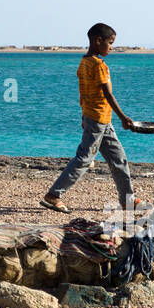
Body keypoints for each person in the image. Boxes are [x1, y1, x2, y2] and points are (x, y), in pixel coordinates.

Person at [41, 22, 145, 214]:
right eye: (110, 43)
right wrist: (124, 117)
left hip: (99, 120)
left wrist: (84, 116)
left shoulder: (83, 63)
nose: (112, 47)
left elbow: (84, 94)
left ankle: (127, 200)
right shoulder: (99, 66)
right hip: (98, 121)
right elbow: (108, 94)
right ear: (98, 41)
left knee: (118, 159)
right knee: (84, 158)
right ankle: (54, 195)